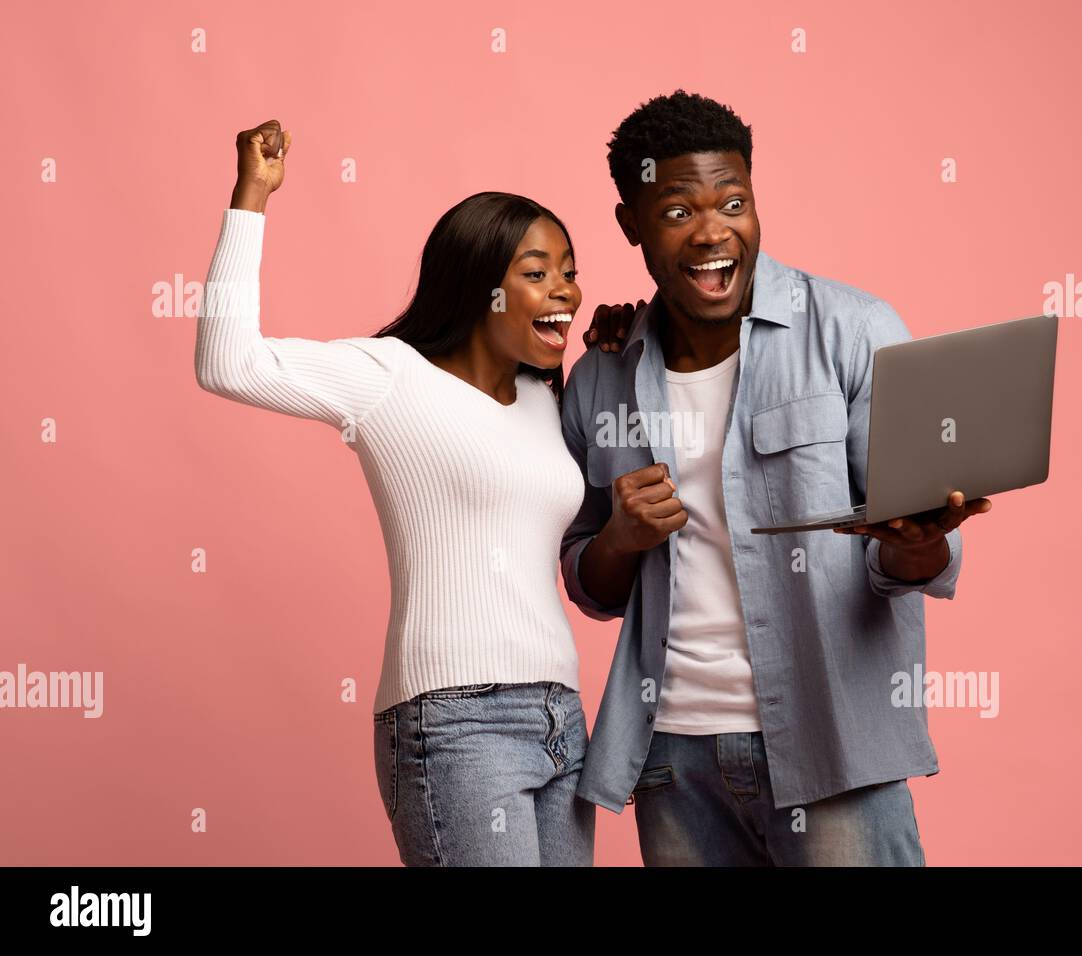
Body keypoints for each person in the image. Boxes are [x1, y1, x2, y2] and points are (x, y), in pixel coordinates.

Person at [560, 91, 993, 866]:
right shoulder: (602, 376)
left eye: (733, 202)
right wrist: (621, 540)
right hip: (671, 757)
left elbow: (910, 562)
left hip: (832, 745)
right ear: (630, 224)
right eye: (677, 211)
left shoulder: (854, 331)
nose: (713, 233)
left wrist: (919, 544)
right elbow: (589, 582)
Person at [195, 119, 594, 866]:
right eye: (539, 272)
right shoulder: (390, 376)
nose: (565, 290)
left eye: (570, 271)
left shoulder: (549, 396)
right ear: (482, 286)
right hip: (454, 723)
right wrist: (252, 197)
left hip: (561, 717)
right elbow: (228, 362)